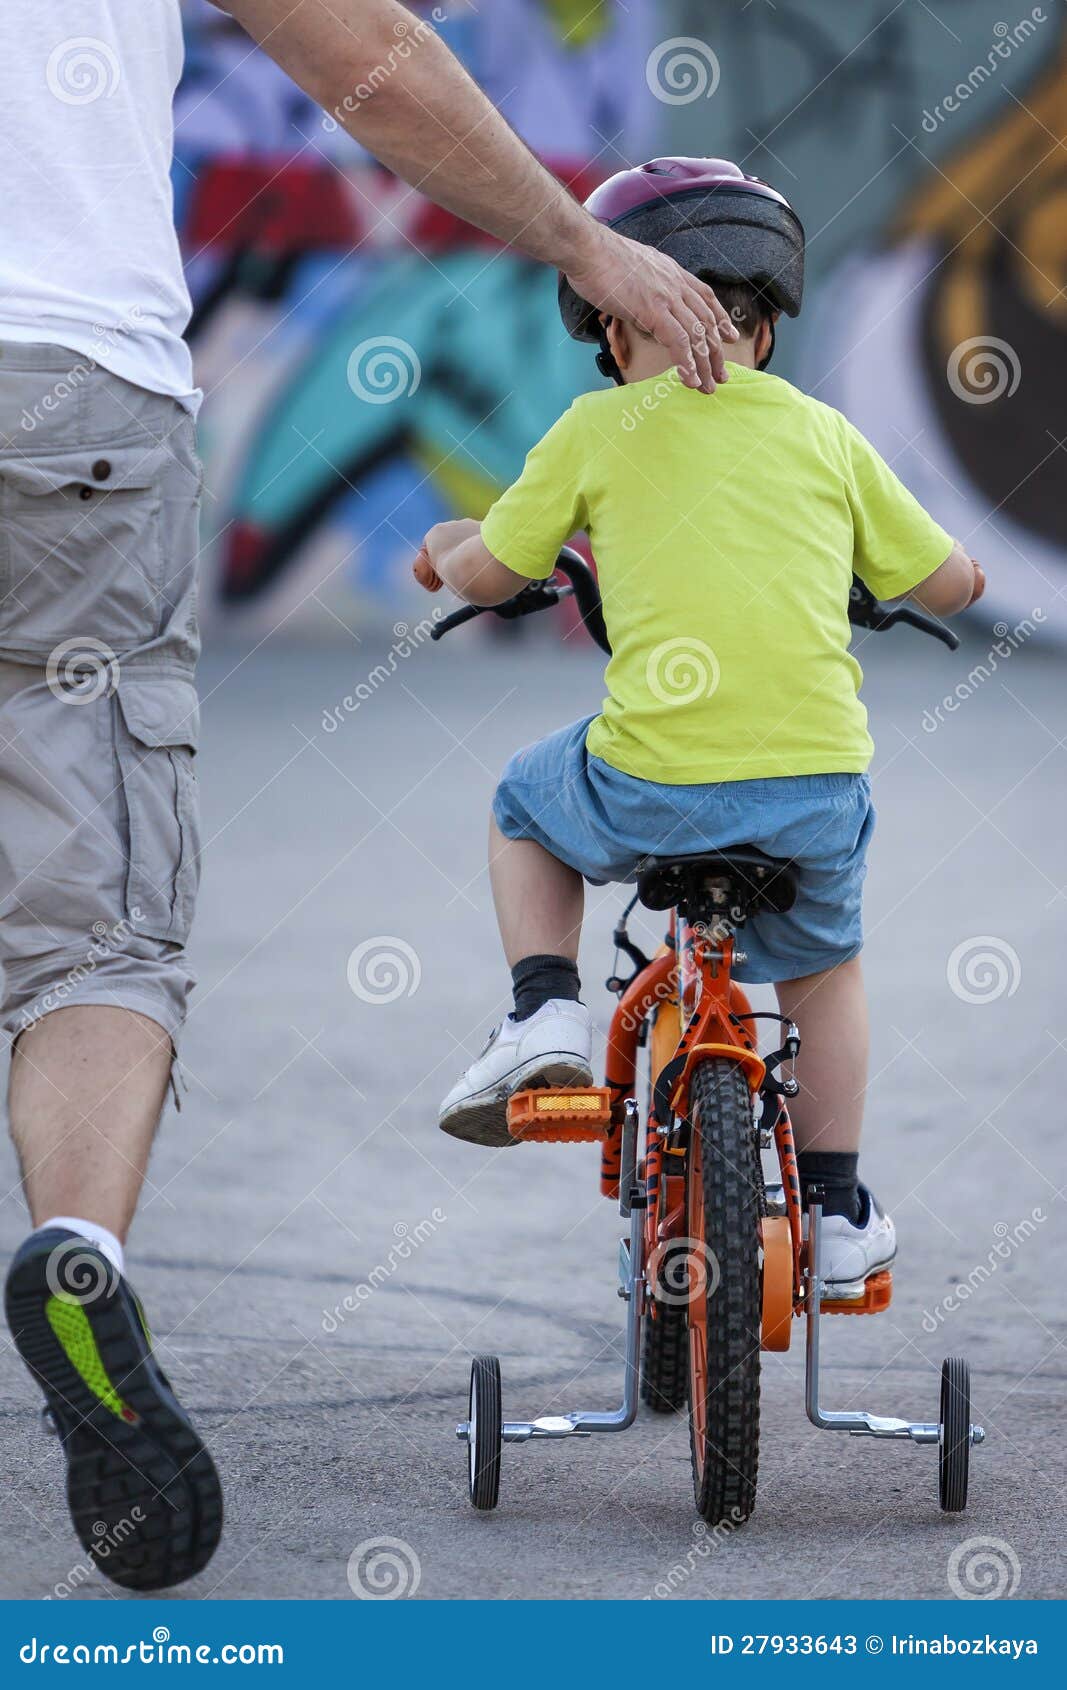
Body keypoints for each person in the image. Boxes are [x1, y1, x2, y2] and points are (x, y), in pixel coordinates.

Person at [0, 9, 734, 1593]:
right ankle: (80, 1251)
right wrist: (578, 241)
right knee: (95, 934)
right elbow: (370, 59)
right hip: (67, 400)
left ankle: (539, 1010)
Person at [416, 158, 984, 1298]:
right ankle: (829, 1213)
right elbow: (951, 582)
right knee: (823, 970)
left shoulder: (594, 426)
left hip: (651, 781)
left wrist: (446, 547)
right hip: (812, 794)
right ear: (766, 327)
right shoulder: (824, 435)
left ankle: (543, 1013)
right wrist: (913, 574)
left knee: (525, 802)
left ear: (611, 331)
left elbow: (489, 571)